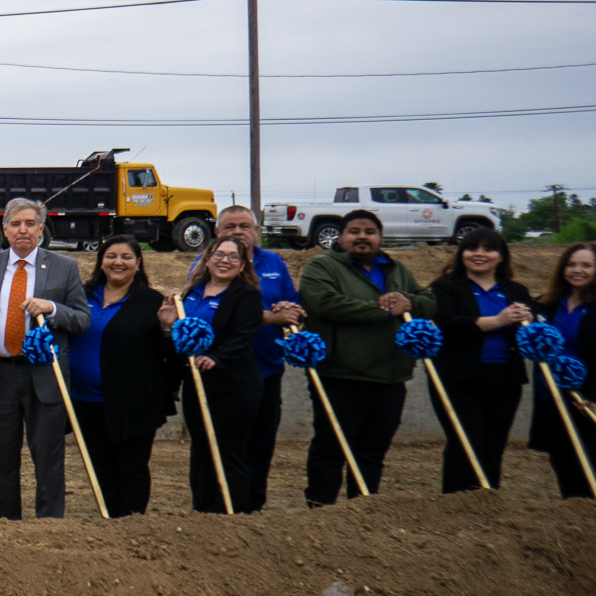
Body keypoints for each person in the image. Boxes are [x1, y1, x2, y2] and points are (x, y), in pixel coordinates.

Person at [297, 209, 437, 505]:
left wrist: (408, 301)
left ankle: (363, 511)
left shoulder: (397, 269)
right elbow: (326, 304)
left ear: (380, 237)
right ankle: (320, 512)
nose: (362, 237)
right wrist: (385, 310)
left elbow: (429, 300)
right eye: (354, 231)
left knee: (373, 453)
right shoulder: (321, 267)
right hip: (340, 376)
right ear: (341, 236)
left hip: (391, 376)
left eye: (370, 232)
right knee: (331, 448)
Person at [0, 198, 90, 519]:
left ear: (41, 229)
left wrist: (53, 309)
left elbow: (82, 319)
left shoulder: (64, 267)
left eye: (30, 224)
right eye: (16, 224)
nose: (23, 230)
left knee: (48, 459)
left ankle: (49, 526)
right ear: (4, 229)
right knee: (0, 460)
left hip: (46, 377)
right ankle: (6, 527)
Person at [66, 235, 176, 517]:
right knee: (100, 466)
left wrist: (167, 328)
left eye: (126, 257)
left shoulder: (152, 302)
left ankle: (132, 524)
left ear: (138, 263)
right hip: (84, 402)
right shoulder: (81, 296)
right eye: (111, 256)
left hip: (132, 404)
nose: (118, 262)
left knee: (131, 467)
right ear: (101, 262)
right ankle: (110, 522)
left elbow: (168, 354)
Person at [211, 205, 304, 510]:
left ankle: (253, 510)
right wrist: (266, 317)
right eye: (229, 227)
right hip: (225, 373)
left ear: (256, 230)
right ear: (216, 233)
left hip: (267, 369)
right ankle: (221, 507)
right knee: (226, 448)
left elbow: (292, 303)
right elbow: (212, 314)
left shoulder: (275, 262)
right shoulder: (207, 265)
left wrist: (288, 312)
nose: (237, 232)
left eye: (244, 226)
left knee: (261, 445)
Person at [428, 228, 533, 493]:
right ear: (461, 254)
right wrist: (497, 321)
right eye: (472, 248)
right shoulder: (446, 287)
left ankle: (488, 499)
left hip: (505, 379)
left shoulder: (516, 290)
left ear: (501, 256)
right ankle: (455, 501)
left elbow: (529, 331)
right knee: (465, 441)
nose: (479, 254)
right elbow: (445, 323)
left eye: (489, 249)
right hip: (458, 378)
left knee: (494, 442)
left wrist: (529, 323)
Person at [174, 238, 265, 513]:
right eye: (219, 254)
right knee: (201, 452)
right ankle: (202, 515)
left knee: (229, 454)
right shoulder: (191, 292)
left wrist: (215, 357)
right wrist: (170, 323)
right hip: (197, 385)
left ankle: (232, 516)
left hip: (234, 388)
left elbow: (242, 336)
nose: (225, 260)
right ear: (208, 258)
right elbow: (183, 334)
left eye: (233, 257)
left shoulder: (247, 295)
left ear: (242, 265)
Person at [530, 242, 596, 497]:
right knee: (563, 459)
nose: (577, 270)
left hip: (587, 400)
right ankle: (573, 512)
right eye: (571, 264)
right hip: (553, 397)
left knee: (589, 460)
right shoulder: (544, 305)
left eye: (586, 265)